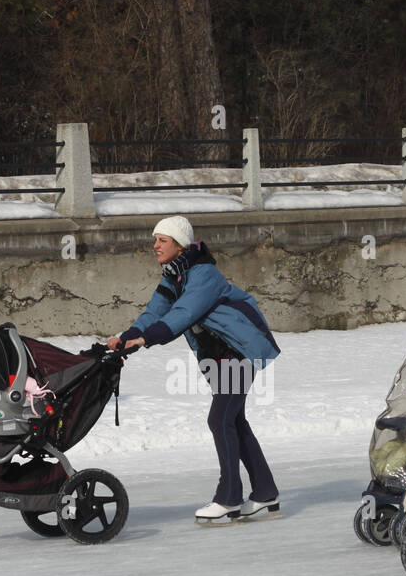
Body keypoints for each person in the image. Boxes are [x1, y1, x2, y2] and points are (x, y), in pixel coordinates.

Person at [108, 216, 281, 522]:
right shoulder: (173, 276)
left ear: (180, 244)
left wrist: (145, 339)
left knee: (220, 419)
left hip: (241, 349)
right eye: (155, 239)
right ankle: (265, 492)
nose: (155, 246)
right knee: (234, 421)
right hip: (218, 356)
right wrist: (125, 337)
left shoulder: (204, 275)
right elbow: (155, 312)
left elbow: (183, 314)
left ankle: (228, 497)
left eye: (162, 240)